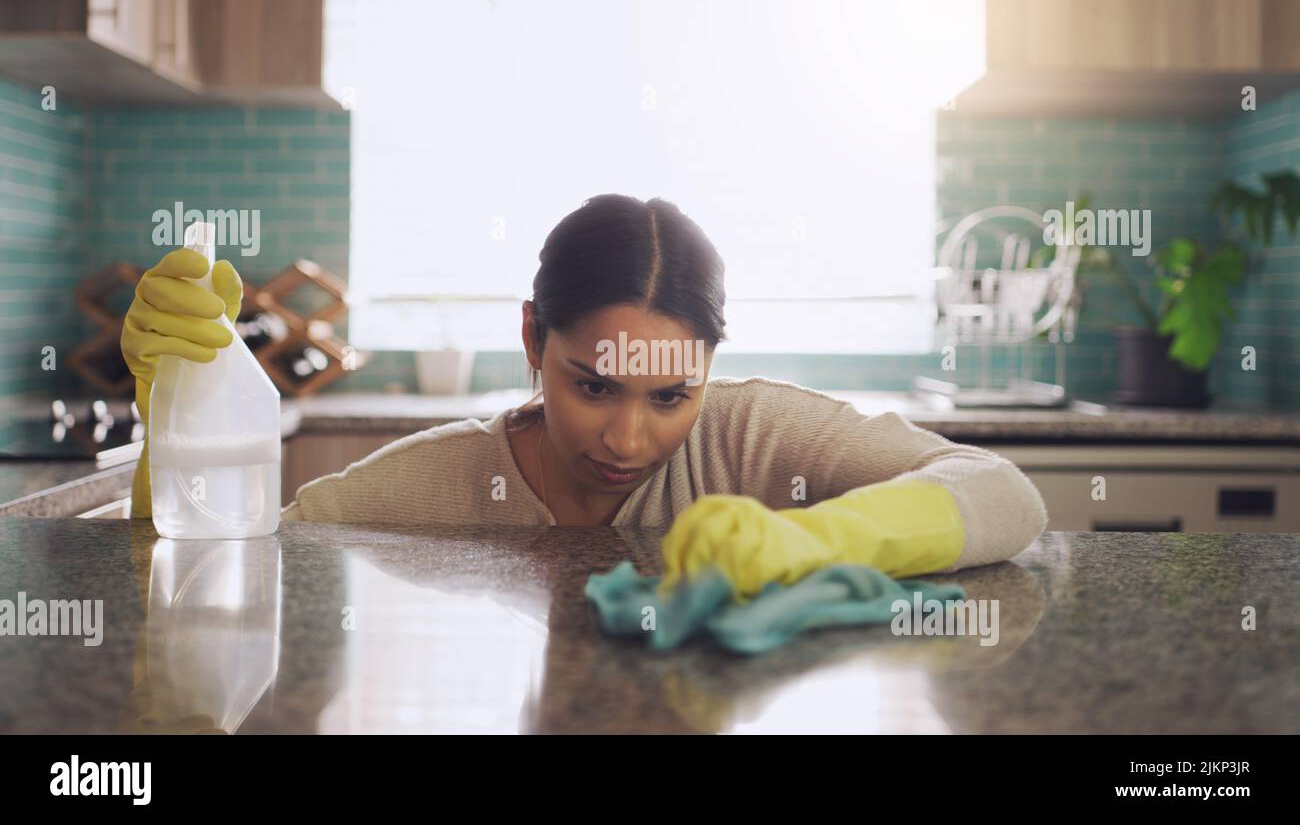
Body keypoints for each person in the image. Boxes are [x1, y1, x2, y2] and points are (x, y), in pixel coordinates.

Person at [121, 193, 1048, 587]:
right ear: (532, 339)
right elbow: (207, 572)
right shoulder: (437, 484)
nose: (628, 440)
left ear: (710, 371)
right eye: (594, 386)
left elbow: (1003, 493)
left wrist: (811, 537)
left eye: (670, 396)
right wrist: (176, 407)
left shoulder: (757, 439)